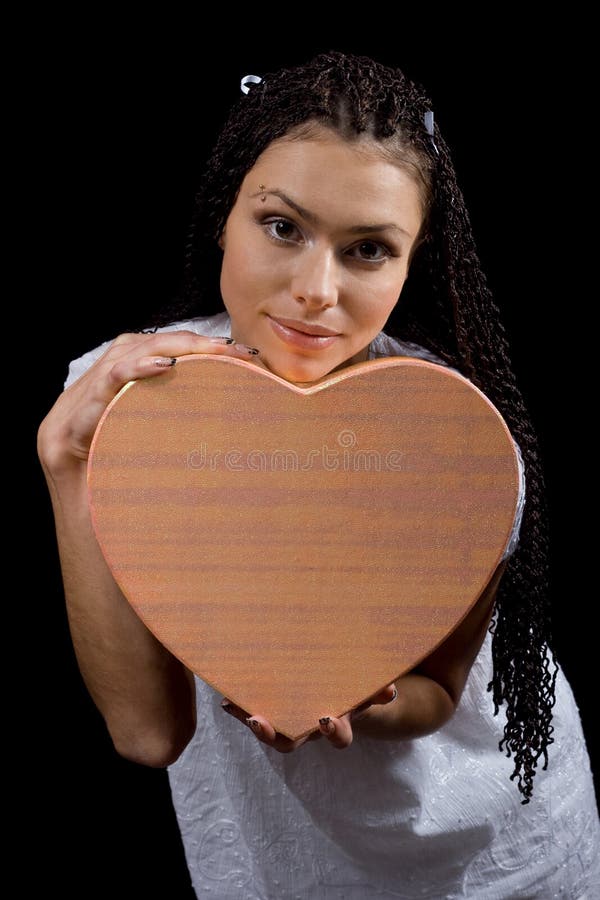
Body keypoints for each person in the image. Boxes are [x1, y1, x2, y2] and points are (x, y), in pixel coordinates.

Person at [38, 50, 599, 898]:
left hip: (504, 851)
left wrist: (365, 699)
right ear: (225, 215)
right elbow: (147, 733)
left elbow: (440, 690)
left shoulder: (454, 438)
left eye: (368, 249)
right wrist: (67, 468)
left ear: (408, 263)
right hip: (286, 857)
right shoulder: (127, 406)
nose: (315, 289)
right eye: (282, 227)